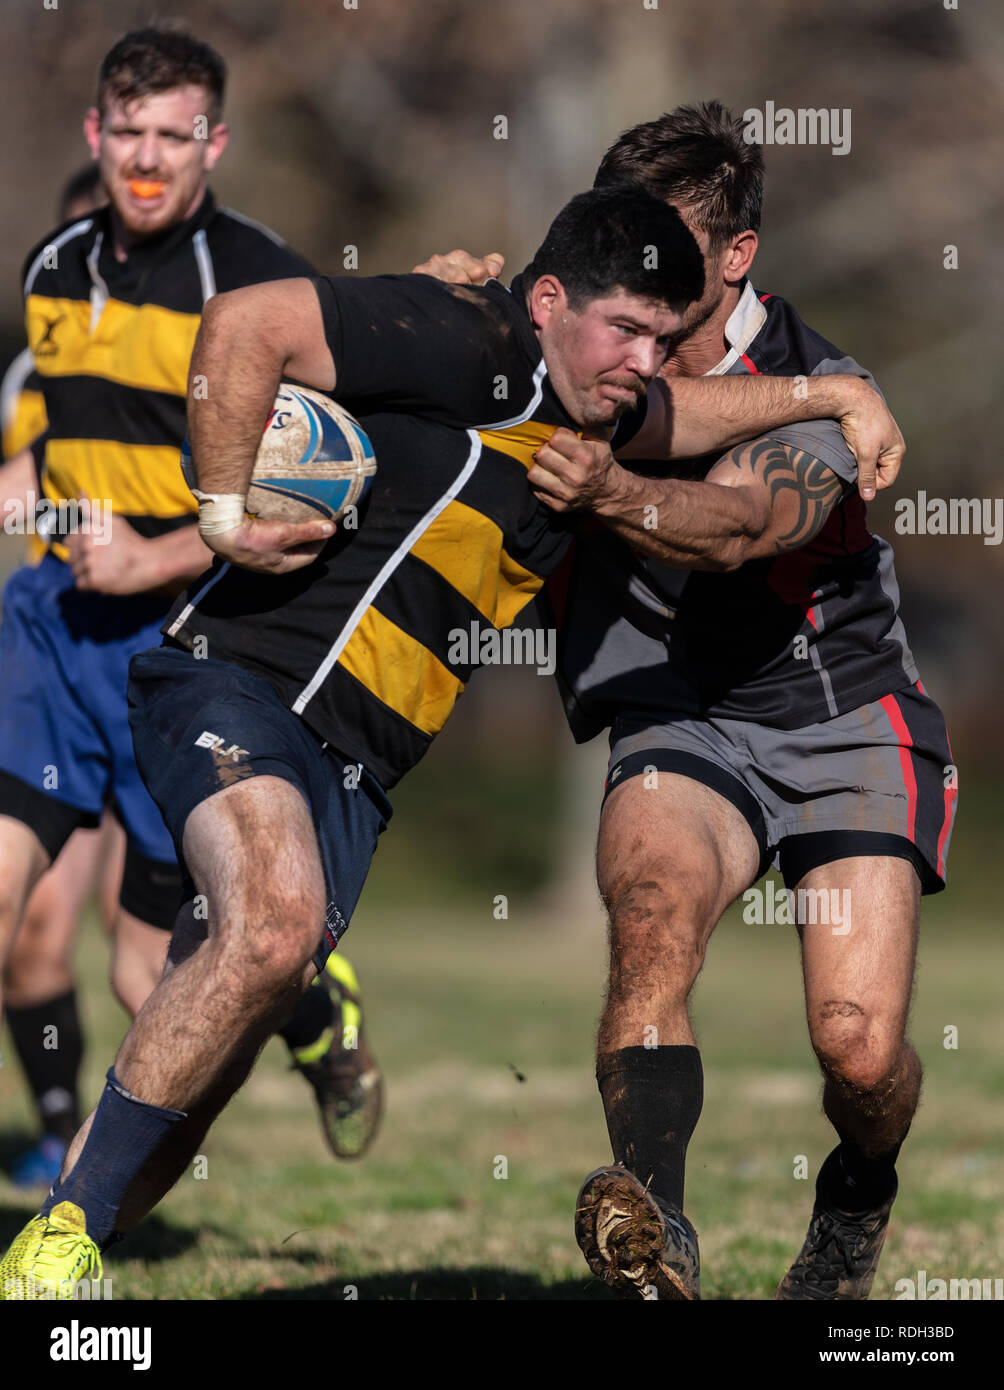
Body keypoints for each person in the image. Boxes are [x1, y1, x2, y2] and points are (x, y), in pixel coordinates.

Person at [0, 179, 904, 1297]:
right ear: (549, 298)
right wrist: (223, 511)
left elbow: (698, 415)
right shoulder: (463, 334)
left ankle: (69, 1234)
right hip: (239, 685)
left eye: (662, 340)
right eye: (622, 329)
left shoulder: (602, 407)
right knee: (274, 925)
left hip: (355, 772)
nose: (641, 361)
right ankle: (60, 1242)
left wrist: (836, 394)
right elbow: (246, 324)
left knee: (216, 1046)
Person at [520, 103, 955, 1301]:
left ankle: (858, 1196)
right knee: (652, 910)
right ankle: (650, 1227)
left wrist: (610, 490)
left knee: (857, 1047)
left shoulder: (823, 388)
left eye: (663, 240)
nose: (632, 261)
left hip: (839, 710)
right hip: (682, 710)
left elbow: (737, 527)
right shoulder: (597, 344)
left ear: (737, 255)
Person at [0, 27, 383, 1182]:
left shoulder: (266, 289)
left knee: (143, 976)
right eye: (130, 134)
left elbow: (324, 498)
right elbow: (63, 462)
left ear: (215, 142)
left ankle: (314, 1020)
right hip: (52, 637)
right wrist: (47, 517)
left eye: (176, 135)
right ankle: (62, 1161)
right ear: (96, 136)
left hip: (183, 655)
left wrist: (161, 556)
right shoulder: (54, 268)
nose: (150, 159)